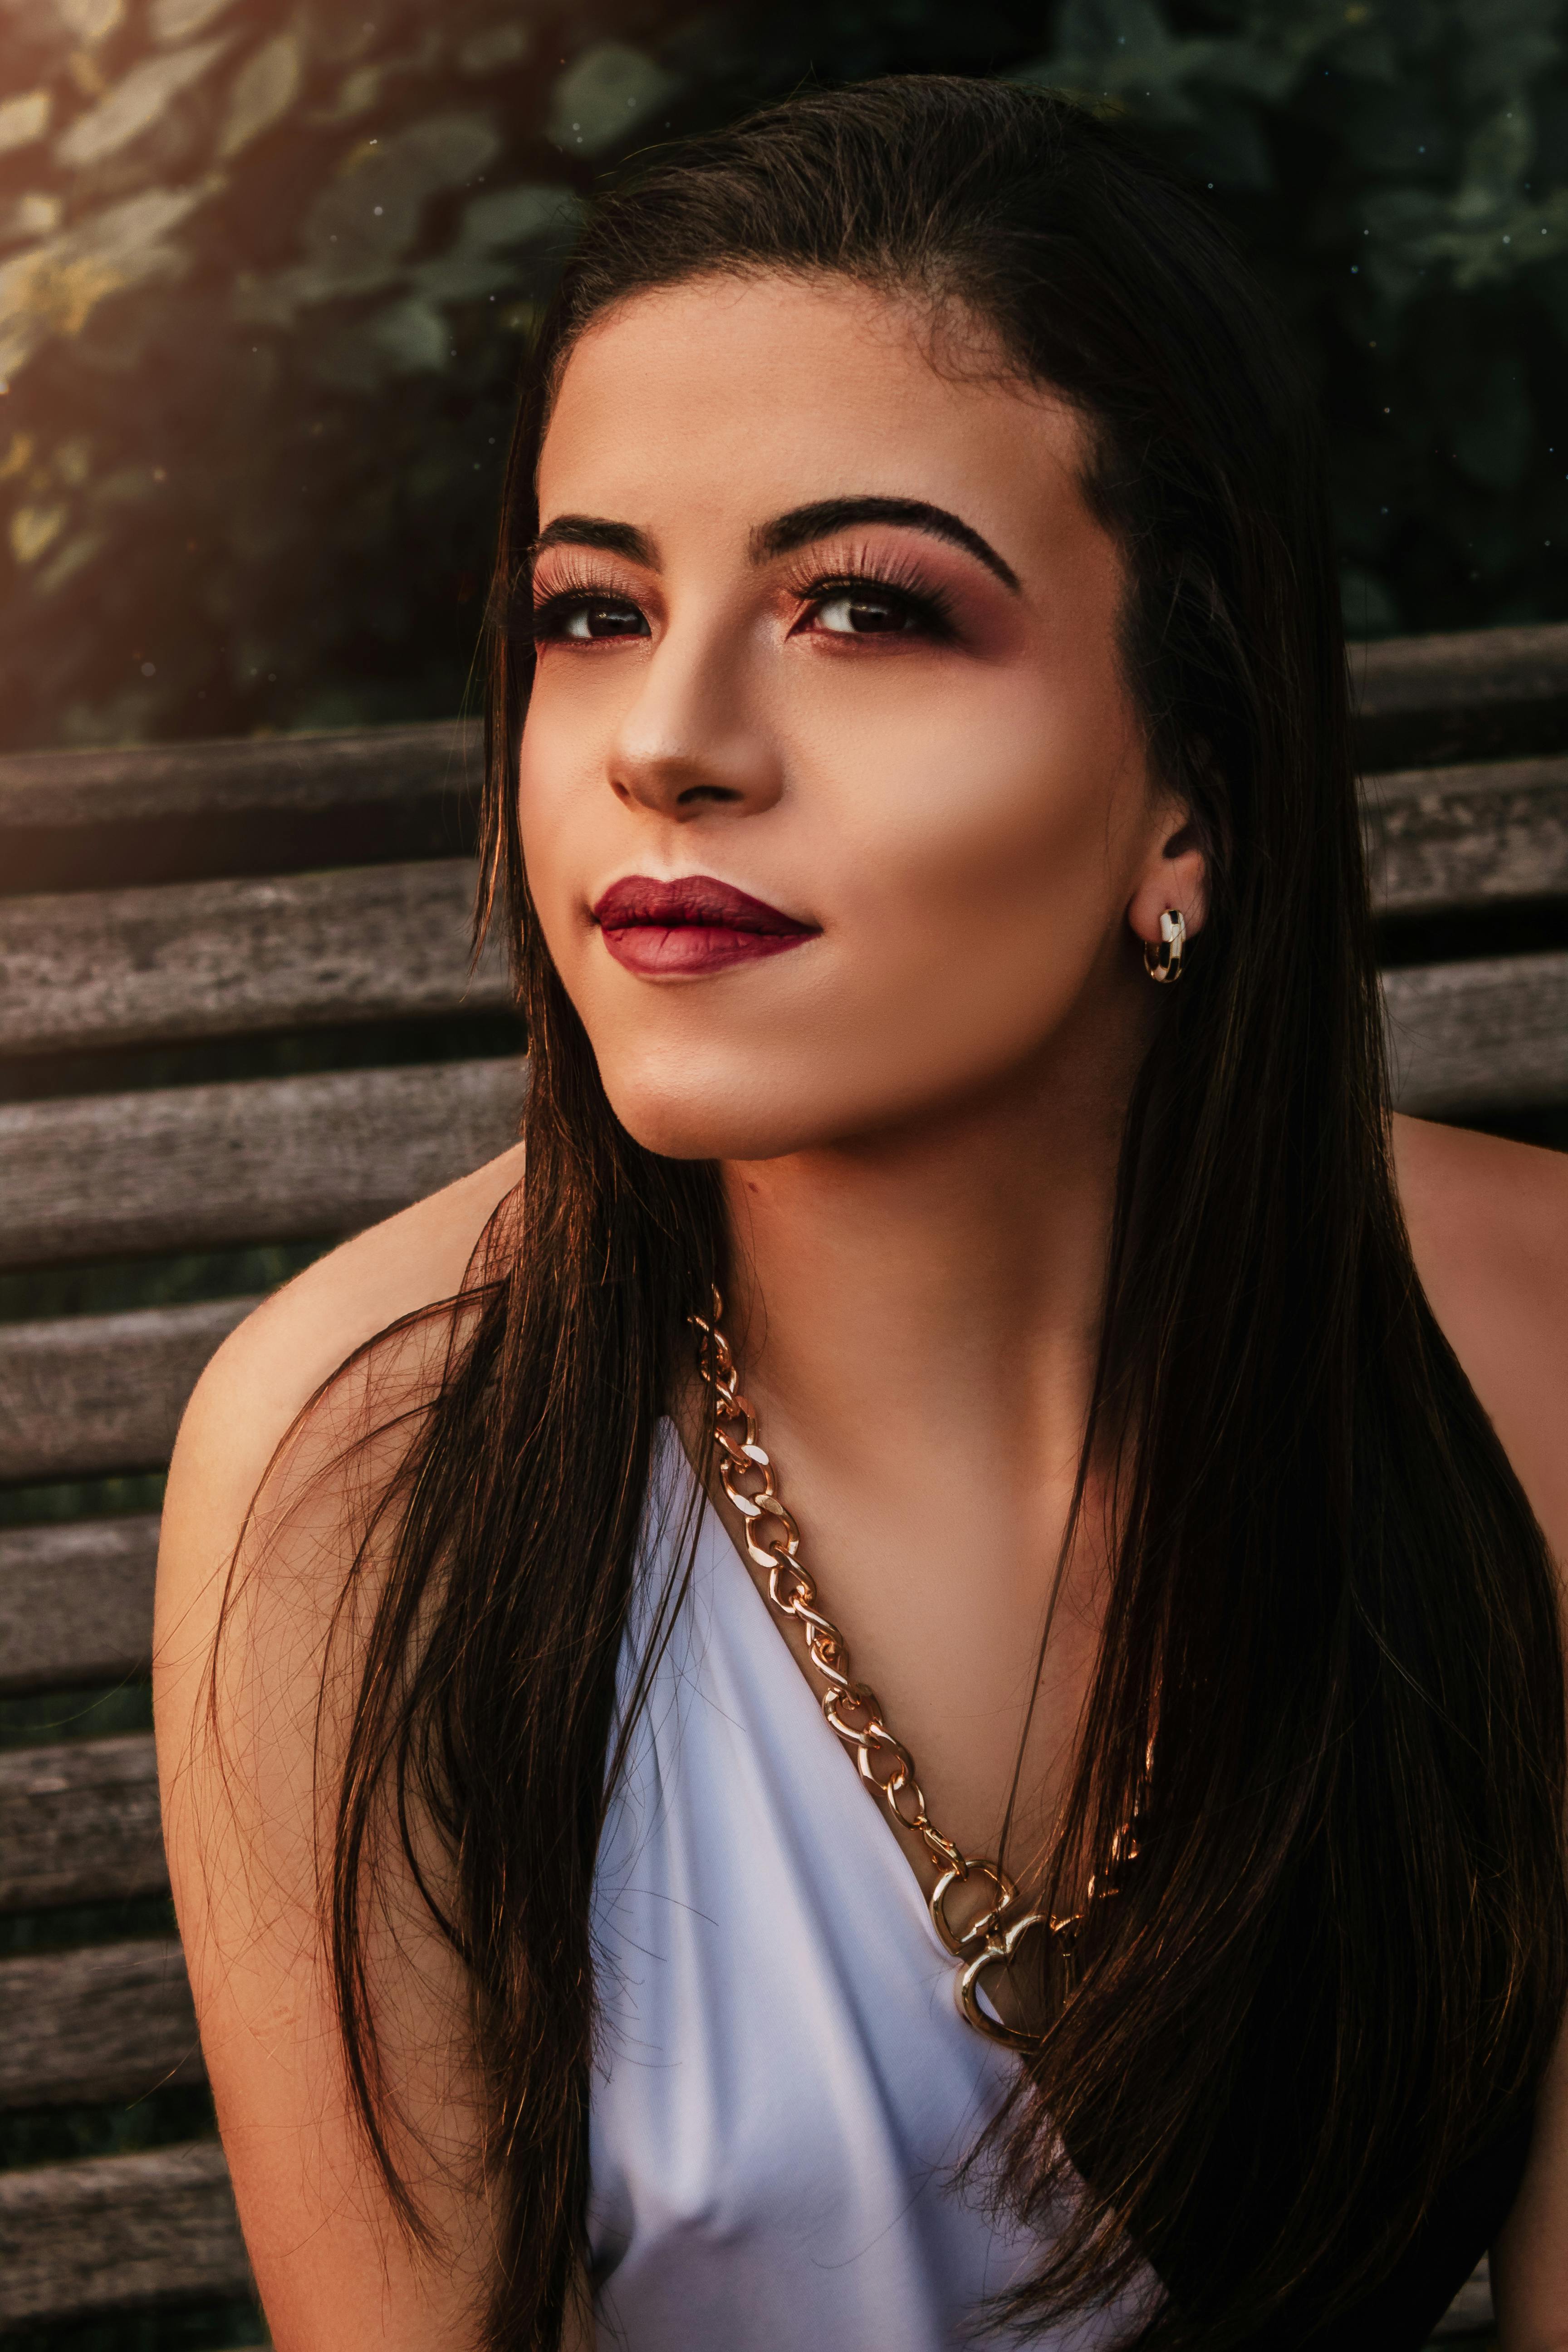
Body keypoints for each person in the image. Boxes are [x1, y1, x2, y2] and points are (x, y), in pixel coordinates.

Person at [153, 76, 1568, 2352]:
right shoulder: (365, 1458)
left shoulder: (1535, 1355)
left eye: (867, 611)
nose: (669, 738)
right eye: (591, 610)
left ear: (1188, 788)